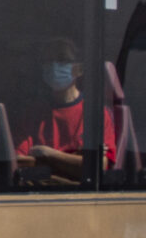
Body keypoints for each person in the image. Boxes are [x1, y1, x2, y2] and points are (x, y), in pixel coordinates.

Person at [16, 38, 117, 188]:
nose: (54, 66)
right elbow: (18, 161)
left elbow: (98, 167)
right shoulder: (33, 114)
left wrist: (49, 154)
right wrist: (73, 161)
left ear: (80, 69)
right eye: (48, 61)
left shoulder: (95, 113)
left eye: (62, 59)